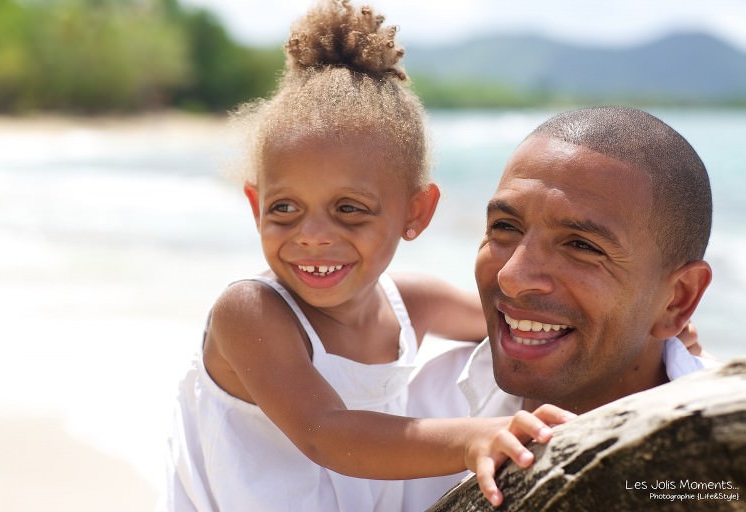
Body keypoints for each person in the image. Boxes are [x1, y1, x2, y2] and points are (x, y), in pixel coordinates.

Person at [160, 2, 572, 511]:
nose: (311, 235)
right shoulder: (250, 313)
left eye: (349, 209)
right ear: (255, 205)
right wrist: (474, 438)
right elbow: (326, 434)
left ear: (416, 212)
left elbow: (526, 324)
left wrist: (652, 333)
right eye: (284, 207)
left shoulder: (413, 304)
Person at [405, 106, 715, 511]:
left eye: (581, 246)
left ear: (678, 299)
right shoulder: (421, 406)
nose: (512, 277)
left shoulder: (719, 458)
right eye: (504, 227)